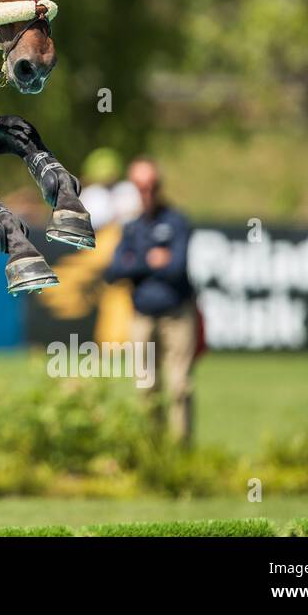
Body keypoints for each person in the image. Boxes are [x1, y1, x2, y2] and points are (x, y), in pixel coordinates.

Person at [104, 157, 198, 444]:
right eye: (140, 187)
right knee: (146, 387)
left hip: (177, 315)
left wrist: (138, 262)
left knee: (179, 386)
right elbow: (113, 272)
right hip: (142, 316)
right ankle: (152, 449)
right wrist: (151, 259)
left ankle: (181, 450)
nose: (147, 193)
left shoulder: (177, 222)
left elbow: (176, 267)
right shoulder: (131, 227)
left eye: (152, 186)